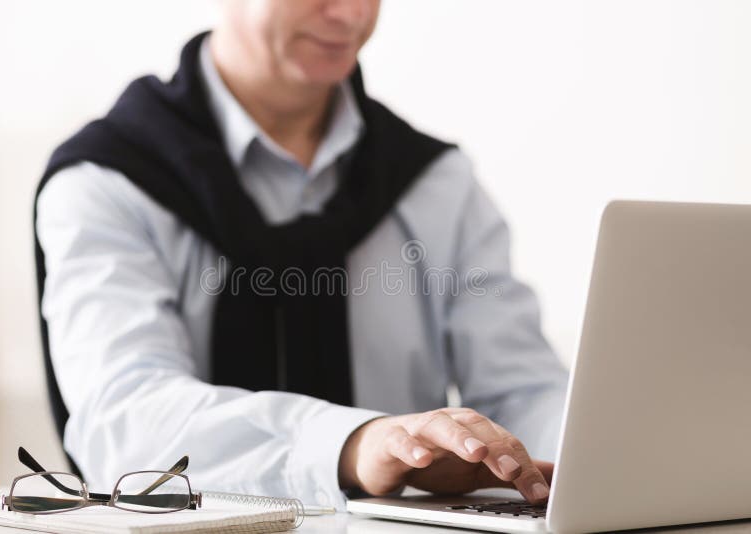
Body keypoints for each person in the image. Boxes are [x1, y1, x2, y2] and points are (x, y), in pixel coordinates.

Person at [34, 0, 568, 511]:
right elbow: (125, 421)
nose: (351, 14)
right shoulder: (108, 183)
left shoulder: (438, 184)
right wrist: (354, 444)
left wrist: (605, 448)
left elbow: (520, 391)